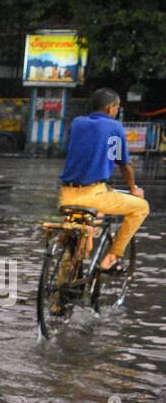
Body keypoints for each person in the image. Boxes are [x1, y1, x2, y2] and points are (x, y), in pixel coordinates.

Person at [58, 87, 149, 273]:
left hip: (66, 194)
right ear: (110, 108)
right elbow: (123, 163)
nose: (117, 112)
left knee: (77, 241)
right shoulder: (114, 127)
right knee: (141, 207)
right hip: (93, 194)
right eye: (117, 108)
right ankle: (112, 257)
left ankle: (59, 299)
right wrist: (133, 188)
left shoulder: (77, 123)